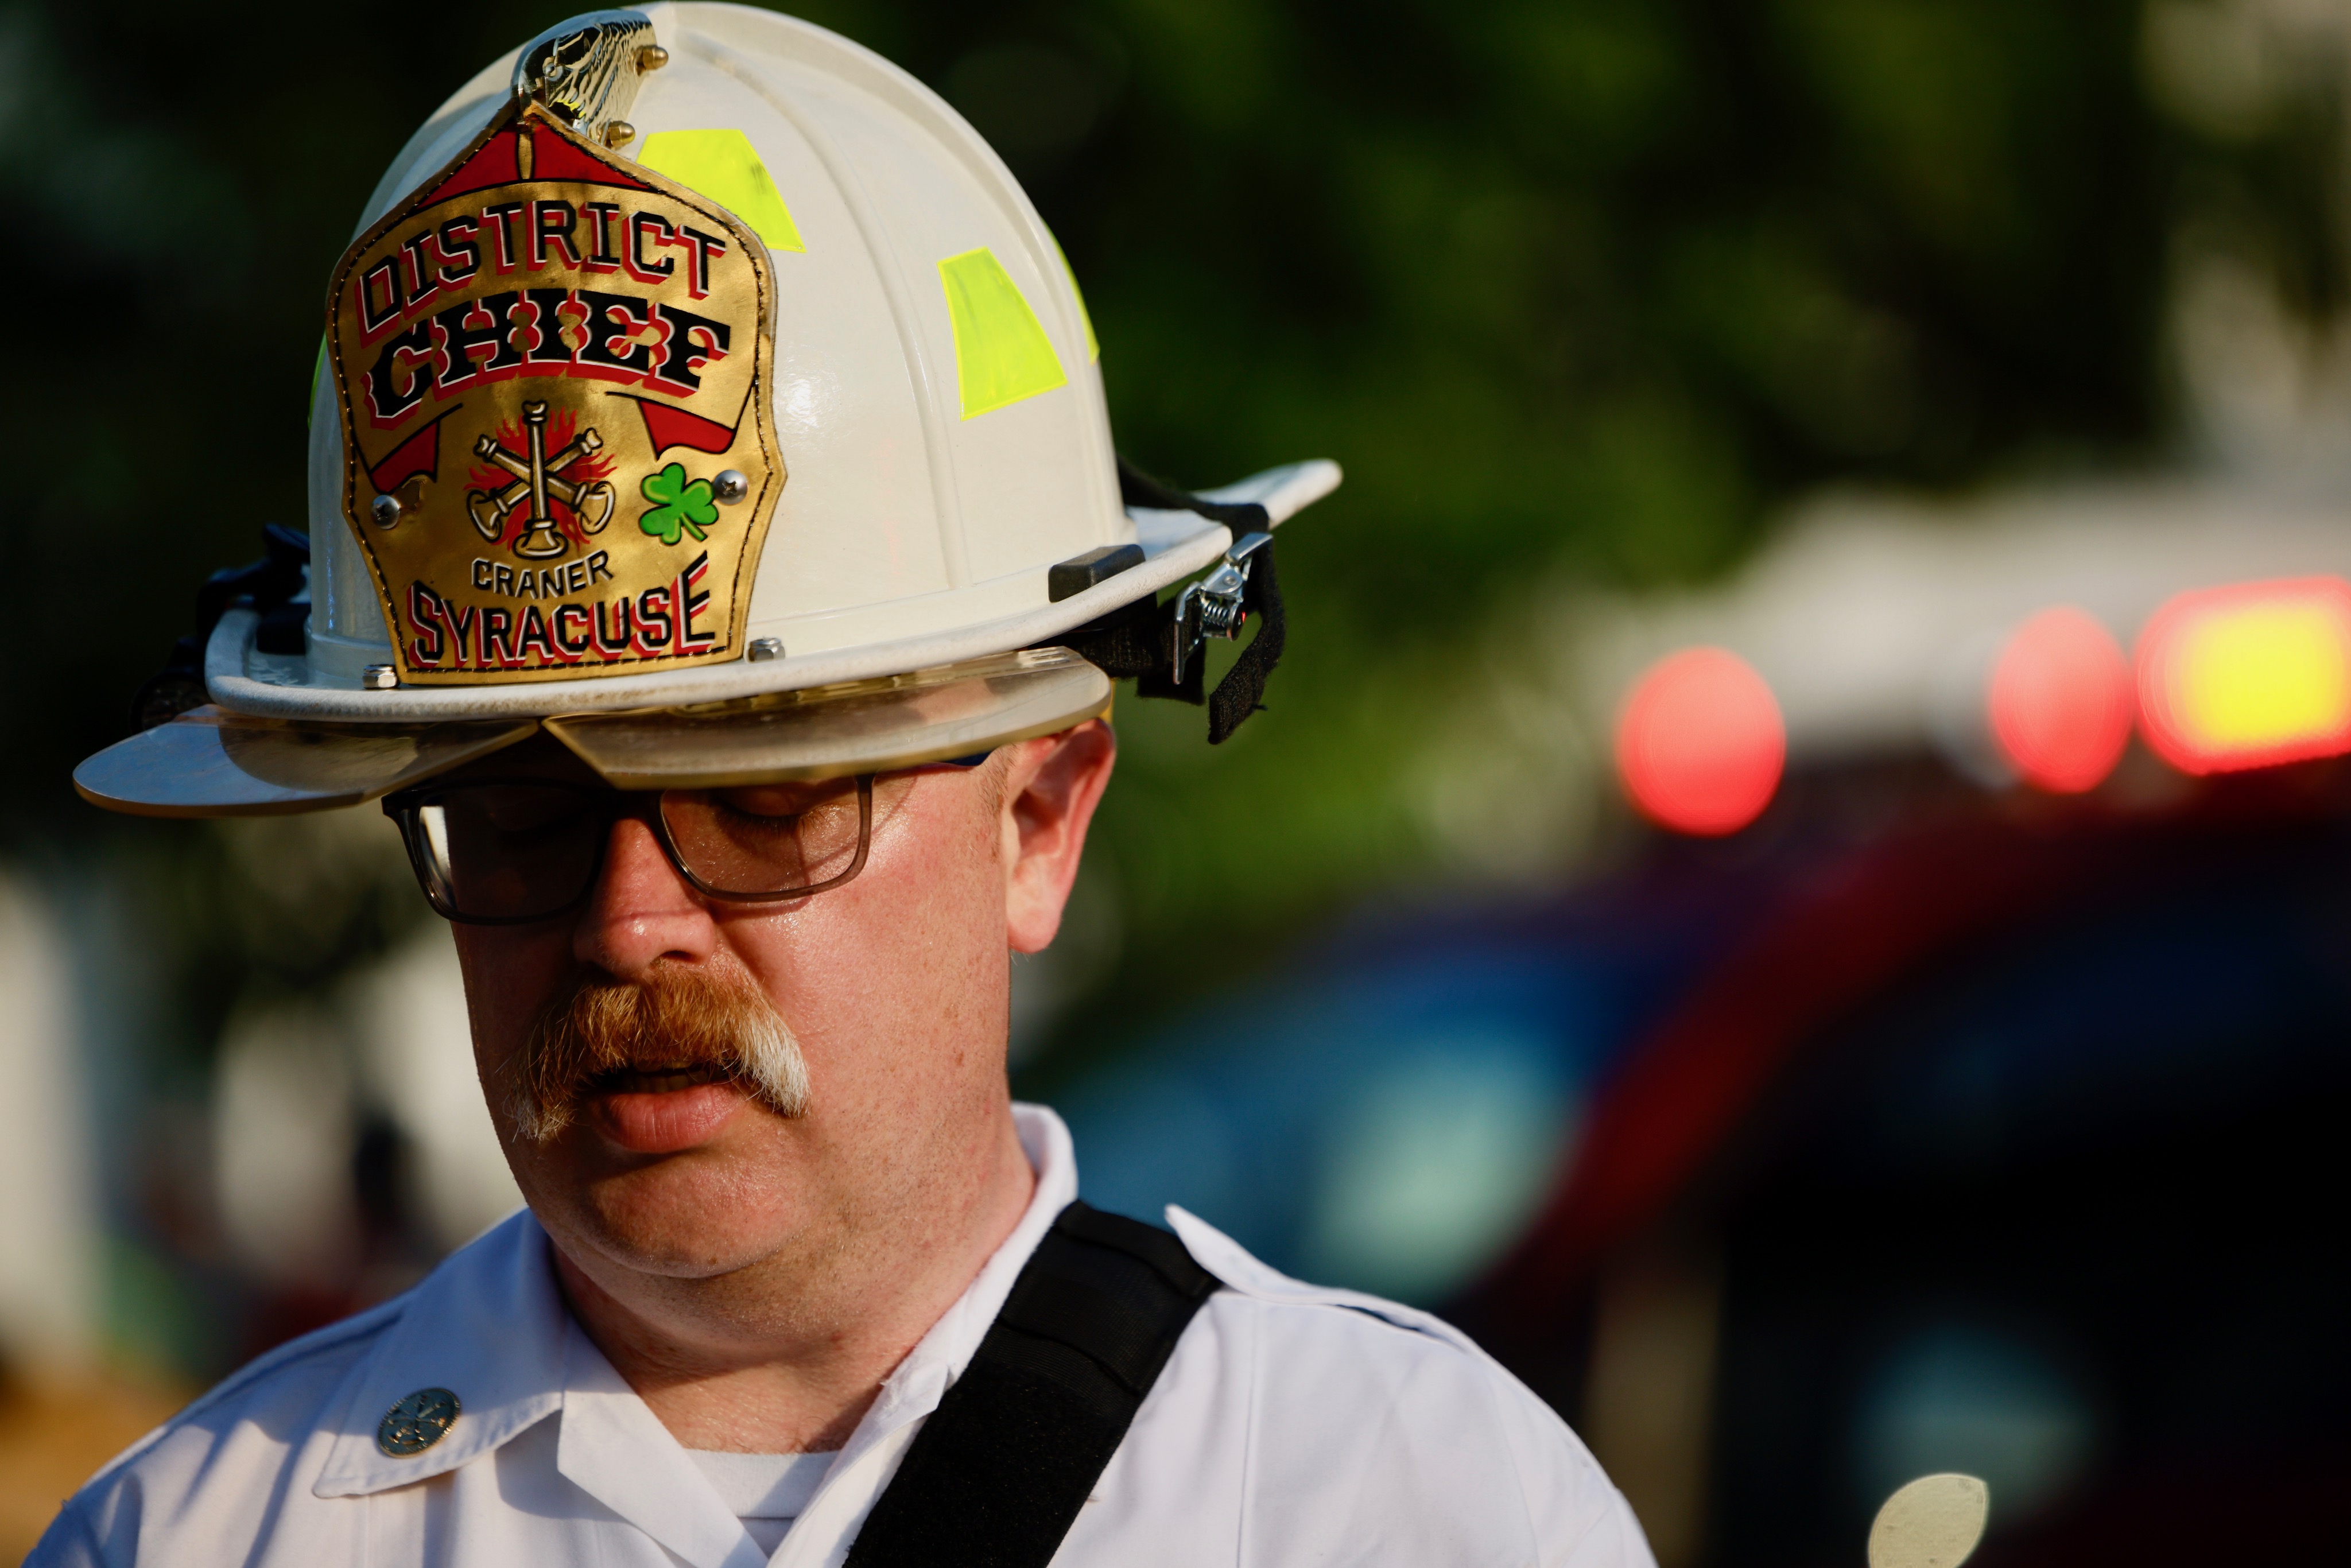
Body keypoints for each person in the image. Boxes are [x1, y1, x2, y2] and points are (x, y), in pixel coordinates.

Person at [42, 7, 1655, 1566]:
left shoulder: (1408, 1508)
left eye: (766, 801)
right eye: (520, 814)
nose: (628, 924)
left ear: (1039, 822)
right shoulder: (185, 1538)